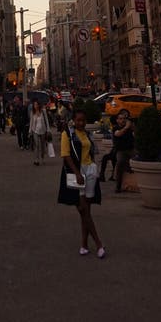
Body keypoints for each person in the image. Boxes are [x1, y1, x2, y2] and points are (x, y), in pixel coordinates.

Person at [58, 107, 105, 258]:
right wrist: (77, 173)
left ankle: (84, 245)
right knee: (83, 209)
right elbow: (66, 155)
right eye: (78, 120)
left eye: (83, 120)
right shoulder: (68, 134)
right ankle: (98, 243)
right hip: (76, 172)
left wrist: (94, 167)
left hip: (89, 170)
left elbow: (91, 152)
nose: (81, 123)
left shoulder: (87, 134)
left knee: (86, 212)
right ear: (73, 120)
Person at [113, 109, 135, 193]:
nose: (122, 120)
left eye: (124, 119)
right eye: (120, 119)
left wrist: (132, 127)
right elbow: (118, 134)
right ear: (117, 120)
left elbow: (136, 134)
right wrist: (126, 127)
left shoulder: (129, 127)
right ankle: (118, 186)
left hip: (131, 149)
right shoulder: (116, 128)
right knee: (120, 163)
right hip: (121, 151)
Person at [29, 98, 50, 165]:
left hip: (43, 130)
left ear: (39, 105)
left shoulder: (43, 111)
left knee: (43, 145)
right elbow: (31, 122)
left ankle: (42, 158)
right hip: (35, 130)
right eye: (34, 105)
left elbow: (46, 121)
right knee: (37, 145)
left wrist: (48, 130)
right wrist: (30, 131)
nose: (35, 106)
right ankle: (36, 159)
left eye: (36, 104)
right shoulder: (32, 112)